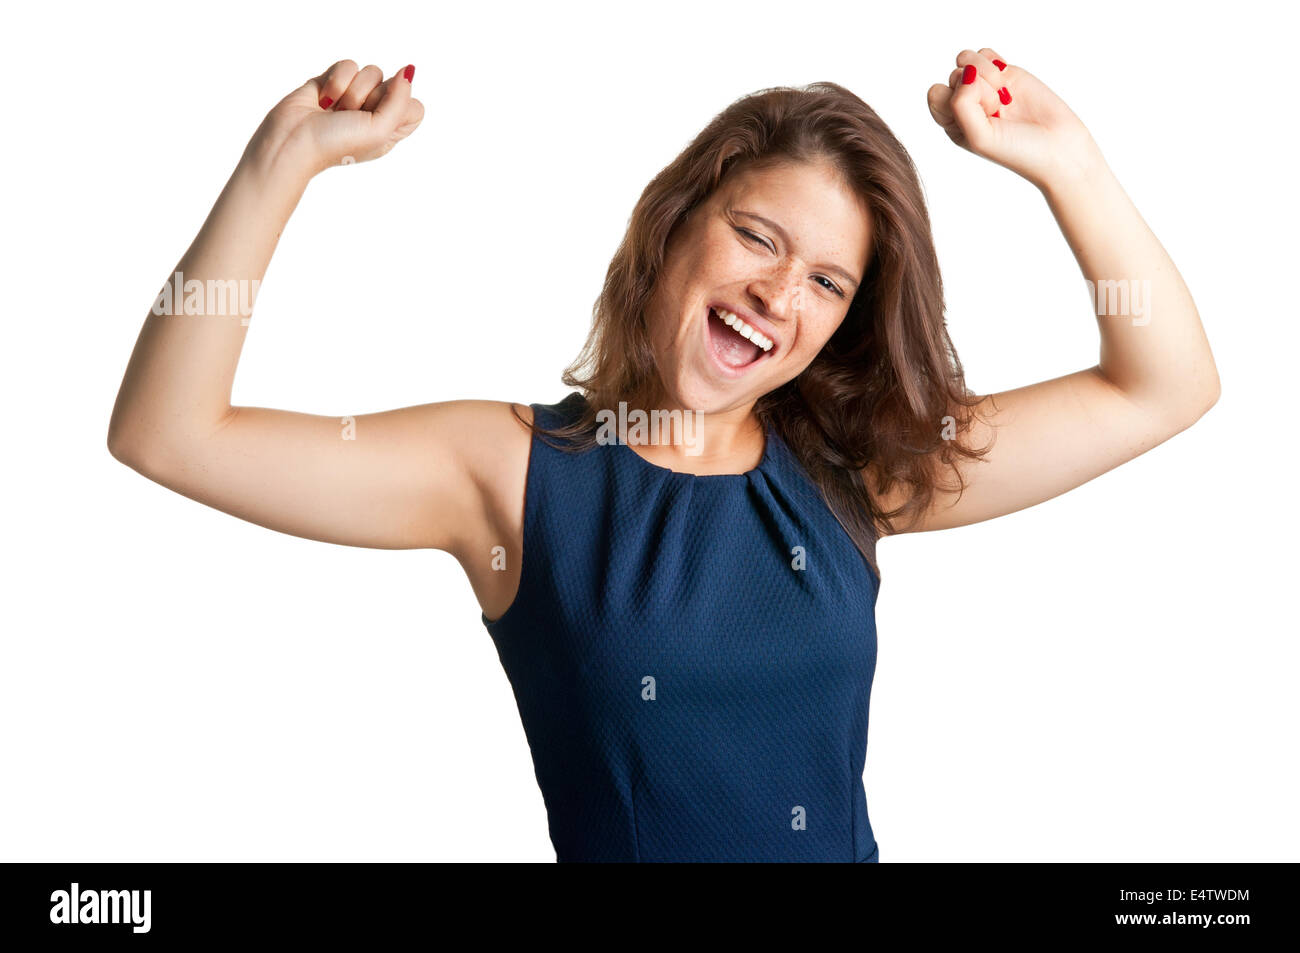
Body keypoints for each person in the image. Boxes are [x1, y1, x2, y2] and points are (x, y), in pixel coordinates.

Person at [107, 52, 1221, 862]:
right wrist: (279, 166)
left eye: (827, 284)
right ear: (676, 219)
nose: (779, 295)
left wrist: (1065, 162)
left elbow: (1162, 385)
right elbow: (170, 433)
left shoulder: (851, 478)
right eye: (757, 236)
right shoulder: (508, 471)